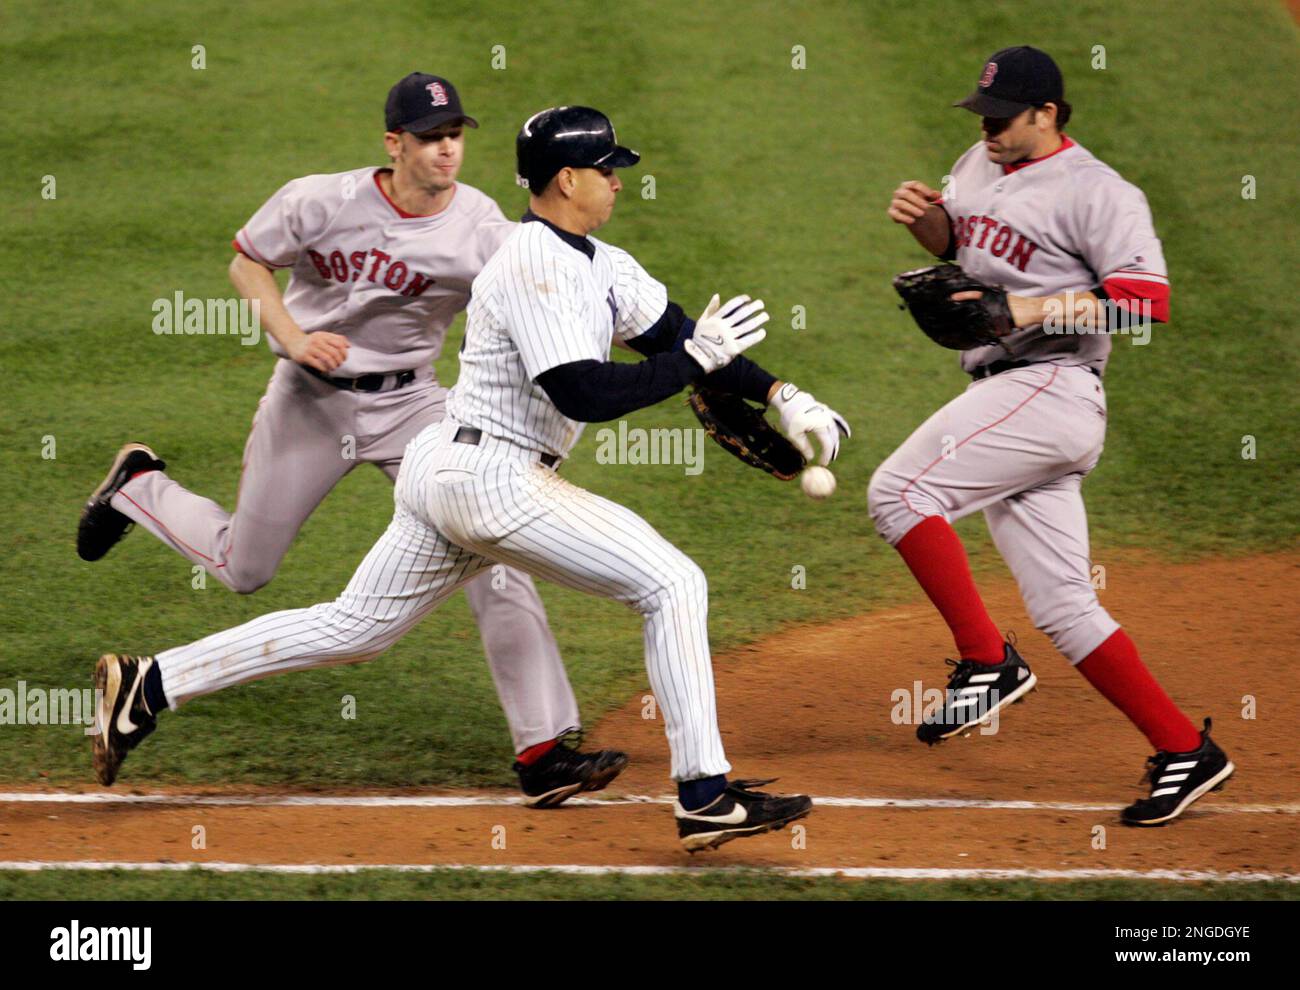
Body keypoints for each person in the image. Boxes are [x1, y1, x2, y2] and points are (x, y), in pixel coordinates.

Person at [92, 104, 849, 852]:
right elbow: (583, 391)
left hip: (452, 468)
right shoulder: (530, 264)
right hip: (493, 478)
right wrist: (692, 363)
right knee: (672, 584)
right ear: (564, 180)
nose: (619, 184)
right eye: (607, 171)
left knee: (356, 628)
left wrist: (783, 394)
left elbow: (680, 333)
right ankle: (705, 796)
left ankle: (152, 683)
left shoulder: (601, 262)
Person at [77, 73, 625, 807]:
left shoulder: (481, 227)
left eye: (456, 136)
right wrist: (294, 337)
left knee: (497, 553)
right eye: (430, 139)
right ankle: (139, 488)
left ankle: (544, 750)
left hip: (415, 409)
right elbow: (247, 261)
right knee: (245, 566)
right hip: (310, 403)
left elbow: (551, 279)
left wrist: (669, 343)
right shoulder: (322, 199)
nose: (446, 152)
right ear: (394, 144)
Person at [872, 46, 1233, 825]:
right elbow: (965, 259)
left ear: (1049, 114)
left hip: (1052, 387)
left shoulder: (1100, 192)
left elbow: (1146, 301)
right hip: (1013, 399)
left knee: (899, 493)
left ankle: (987, 660)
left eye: (1003, 119)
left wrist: (1029, 311)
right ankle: (1184, 750)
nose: (989, 129)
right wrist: (932, 226)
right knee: (1067, 606)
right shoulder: (978, 160)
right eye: (983, 115)